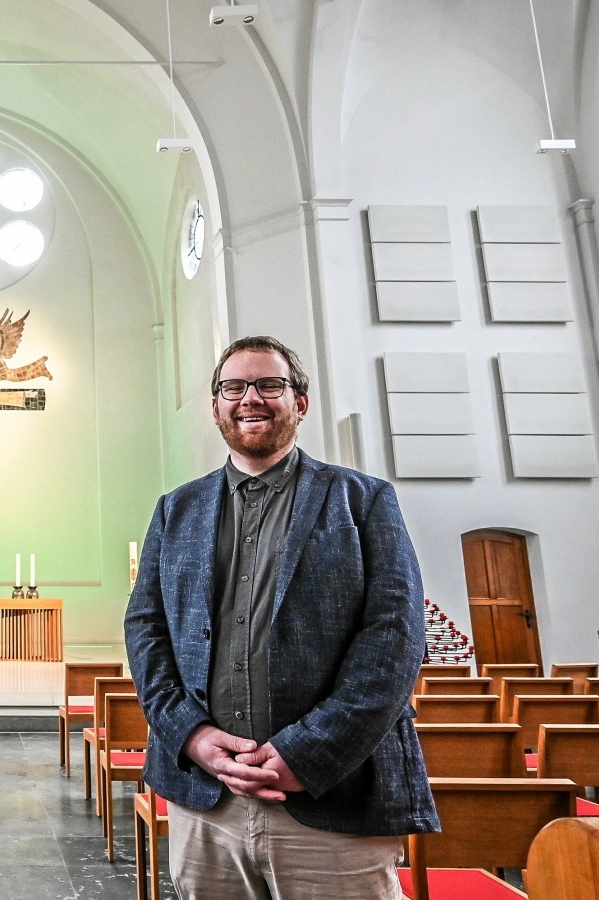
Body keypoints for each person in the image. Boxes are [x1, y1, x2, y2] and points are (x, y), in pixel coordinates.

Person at [123, 336, 437, 898]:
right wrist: (190, 736)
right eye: (234, 387)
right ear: (216, 405)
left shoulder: (362, 500)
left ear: (300, 402)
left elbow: (395, 637)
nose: (251, 399)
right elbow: (146, 630)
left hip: (331, 797)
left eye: (270, 385)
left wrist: (307, 752)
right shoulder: (177, 509)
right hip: (207, 798)